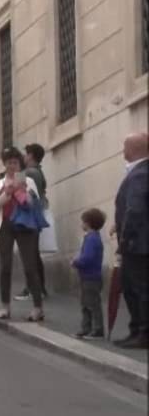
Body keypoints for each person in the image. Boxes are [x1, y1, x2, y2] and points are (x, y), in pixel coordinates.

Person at [0, 146, 44, 322]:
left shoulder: (28, 181)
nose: (13, 166)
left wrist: (24, 190)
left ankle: (37, 307)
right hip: (4, 225)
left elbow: (34, 204)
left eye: (15, 162)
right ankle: (5, 307)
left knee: (30, 266)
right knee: (5, 267)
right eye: (9, 163)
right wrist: (7, 193)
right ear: (4, 165)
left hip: (24, 226)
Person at [113, 132, 149, 349]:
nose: (122, 151)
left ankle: (142, 333)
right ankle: (137, 329)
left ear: (134, 149)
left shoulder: (139, 175)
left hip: (138, 245)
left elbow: (134, 210)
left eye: (125, 147)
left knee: (138, 290)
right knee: (134, 288)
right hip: (139, 243)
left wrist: (125, 239)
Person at [16, 143, 52, 300]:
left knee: (29, 254)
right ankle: (40, 288)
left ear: (30, 156)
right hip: (35, 215)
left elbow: (20, 189)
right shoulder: (38, 172)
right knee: (34, 254)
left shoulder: (30, 173)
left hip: (29, 217)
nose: (24, 156)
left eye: (26, 154)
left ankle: (32, 288)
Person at [72, 208, 106, 339]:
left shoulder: (92, 239)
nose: (81, 224)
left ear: (88, 223)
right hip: (87, 276)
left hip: (91, 277)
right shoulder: (92, 238)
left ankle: (98, 330)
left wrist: (76, 262)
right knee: (86, 303)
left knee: (92, 304)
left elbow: (88, 257)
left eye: (83, 222)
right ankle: (86, 328)